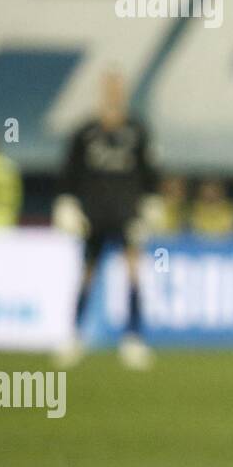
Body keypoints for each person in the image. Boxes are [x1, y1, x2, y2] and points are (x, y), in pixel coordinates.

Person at [53, 71, 163, 369]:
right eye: (109, 88)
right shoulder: (85, 133)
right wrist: (67, 203)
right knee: (87, 273)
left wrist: (151, 204)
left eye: (118, 89)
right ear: (102, 92)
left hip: (126, 213)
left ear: (123, 93)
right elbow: (69, 173)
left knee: (133, 271)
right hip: (94, 214)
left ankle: (133, 338)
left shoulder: (137, 132)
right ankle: (74, 336)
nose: (114, 94)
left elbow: (150, 172)